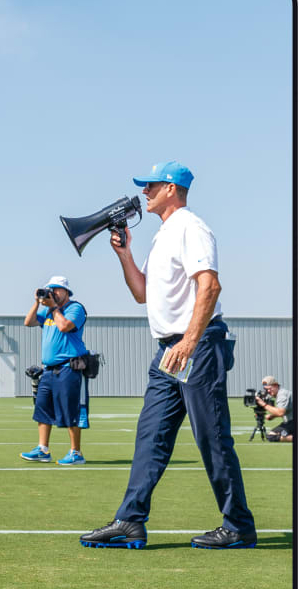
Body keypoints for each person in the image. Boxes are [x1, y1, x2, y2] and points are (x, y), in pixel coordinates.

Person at [80, 162, 256, 551]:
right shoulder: (163, 235)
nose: (145, 192)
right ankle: (130, 521)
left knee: (211, 436)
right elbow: (142, 293)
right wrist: (125, 255)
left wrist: (190, 342)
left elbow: (209, 285)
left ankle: (239, 525)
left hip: (197, 344)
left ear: (172, 189)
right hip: (168, 350)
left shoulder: (191, 228)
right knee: (151, 436)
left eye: (151, 186)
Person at [19, 276, 89, 465]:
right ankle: (43, 449)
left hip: (68, 367)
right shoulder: (48, 311)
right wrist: (37, 302)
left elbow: (65, 326)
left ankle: (76, 452)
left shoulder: (75, 308)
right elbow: (28, 322)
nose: (53, 292)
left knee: (70, 409)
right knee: (42, 408)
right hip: (48, 370)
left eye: (57, 289)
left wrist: (54, 308)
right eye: (50, 289)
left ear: (66, 292)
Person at [257, 376, 294, 442]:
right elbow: (285, 411)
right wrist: (272, 416)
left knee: (272, 436)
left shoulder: (282, 394)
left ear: (276, 386)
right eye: (266, 389)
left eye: (270, 388)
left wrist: (264, 404)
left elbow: (280, 412)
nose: (268, 391)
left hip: (292, 422)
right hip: (290, 422)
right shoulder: (281, 393)